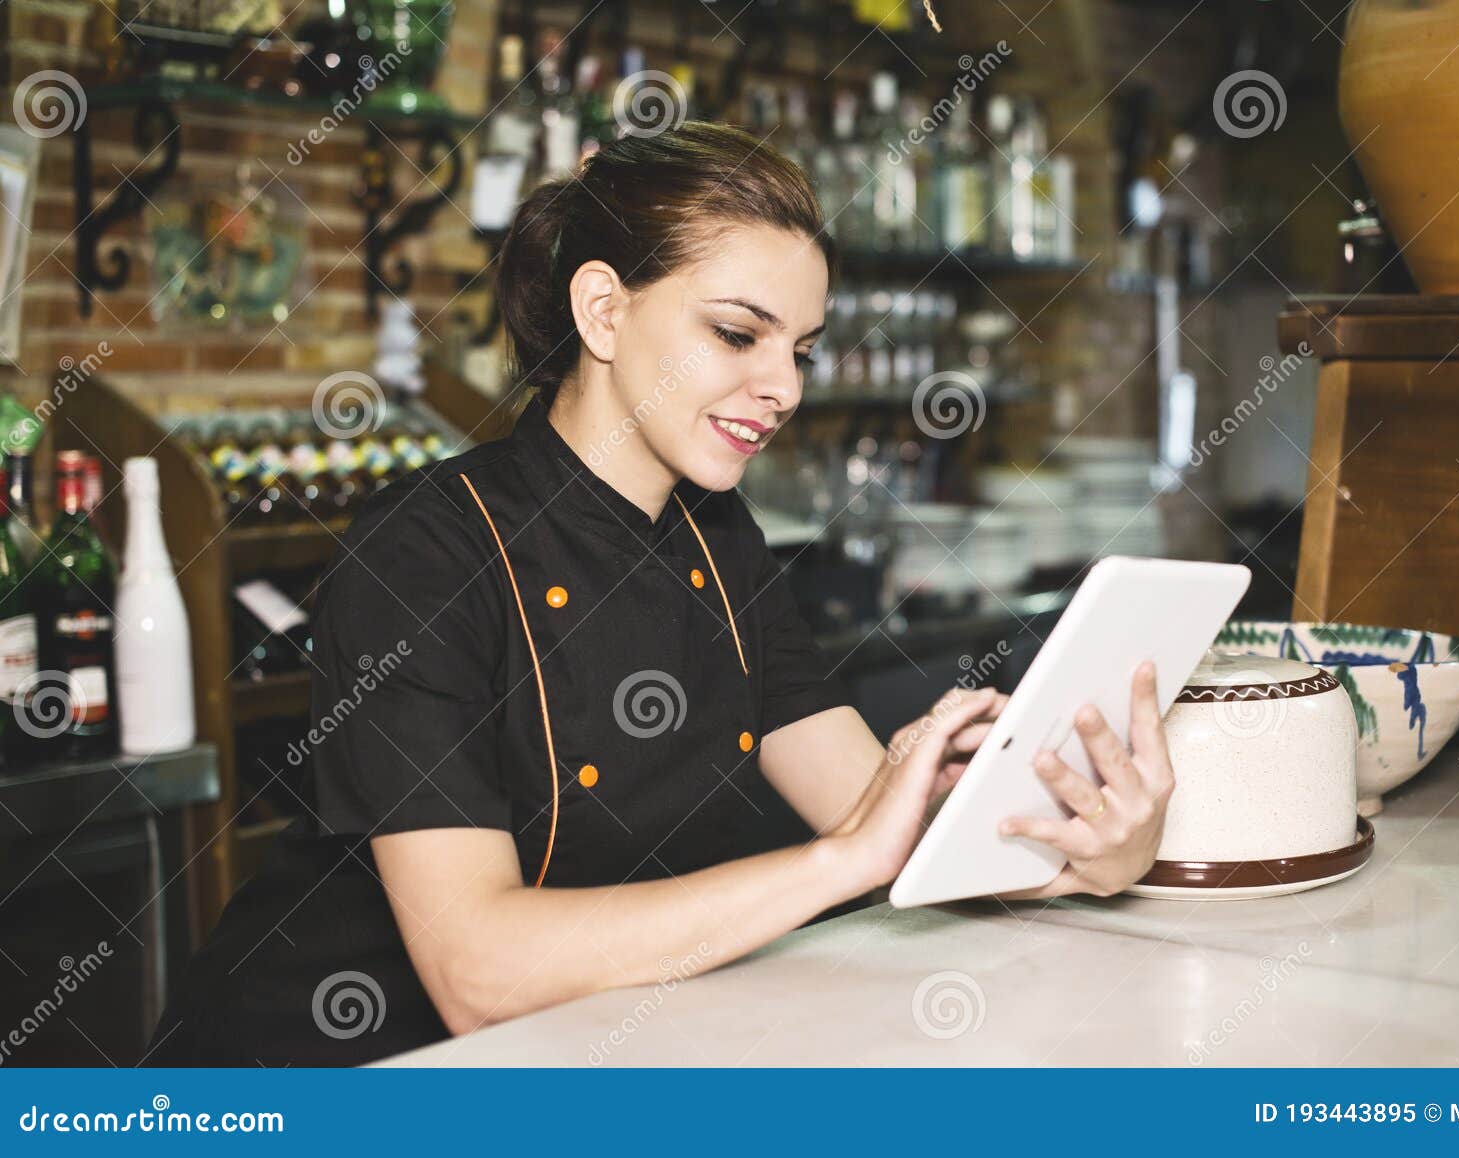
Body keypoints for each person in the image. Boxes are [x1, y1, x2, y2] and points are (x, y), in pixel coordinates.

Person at [145, 122, 1176, 1067]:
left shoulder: (718, 534)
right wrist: (841, 859)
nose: (786, 386)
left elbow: (880, 819)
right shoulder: (422, 550)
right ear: (603, 309)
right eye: (739, 335)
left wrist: (1077, 855)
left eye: (802, 350)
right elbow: (478, 974)